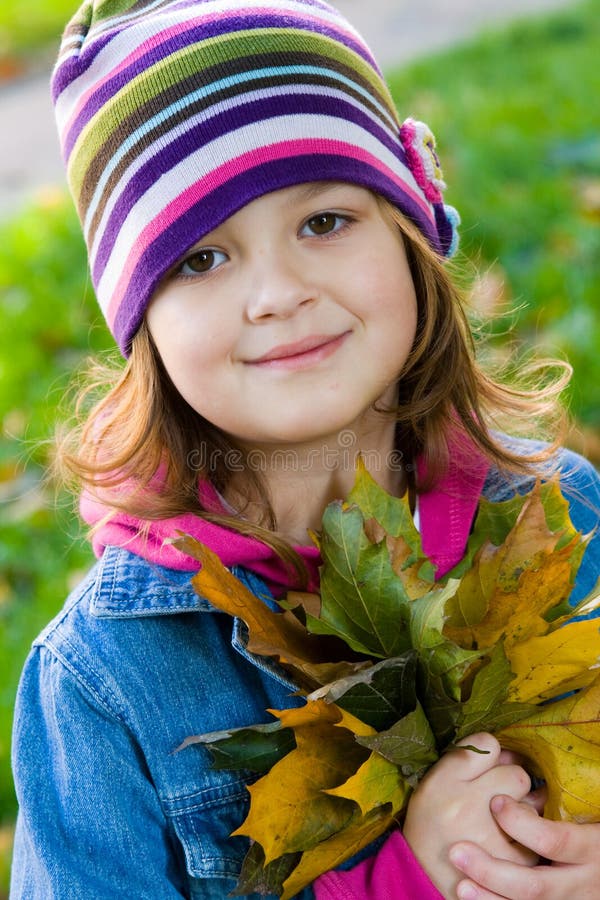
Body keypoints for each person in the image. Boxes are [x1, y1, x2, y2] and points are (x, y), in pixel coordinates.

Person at [10, 1, 600, 898]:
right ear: (144, 325)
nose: (278, 294)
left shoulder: (561, 514)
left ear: (412, 235)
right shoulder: (109, 681)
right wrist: (407, 879)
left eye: (323, 221)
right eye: (202, 259)